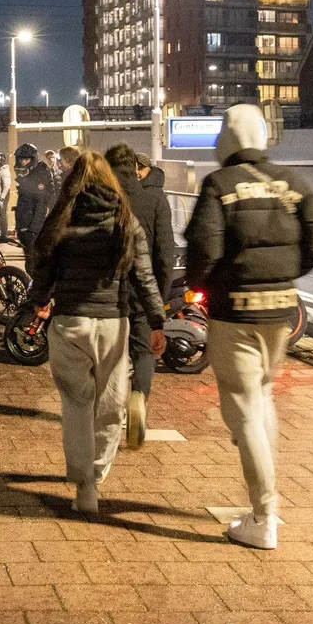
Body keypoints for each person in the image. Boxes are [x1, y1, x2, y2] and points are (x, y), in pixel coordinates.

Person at [185, 103, 313, 550]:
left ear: (225, 140)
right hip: (280, 311)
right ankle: (263, 503)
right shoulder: (295, 182)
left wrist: (199, 286)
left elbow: (204, 248)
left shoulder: (219, 185)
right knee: (262, 397)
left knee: (243, 407)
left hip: (235, 312)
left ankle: (264, 515)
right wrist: (284, 273)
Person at [24, 152, 167, 513]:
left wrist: (40, 300)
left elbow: (42, 265)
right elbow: (144, 276)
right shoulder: (125, 219)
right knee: (109, 405)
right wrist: (156, 321)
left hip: (71, 319)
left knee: (76, 404)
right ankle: (98, 474)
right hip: (113, 323)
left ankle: (83, 484)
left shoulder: (62, 216)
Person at [105, 144, 176, 449]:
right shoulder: (155, 199)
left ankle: (112, 410)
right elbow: (165, 252)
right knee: (144, 352)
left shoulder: (104, 200)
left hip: (111, 291)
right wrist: (159, 296)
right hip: (145, 290)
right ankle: (139, 400)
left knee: (112, 353)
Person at [13, 143, 54, 275]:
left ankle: (40, 292)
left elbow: (41, 204)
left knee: (34, 265)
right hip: (26, 227)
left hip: (33, 229)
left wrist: (32, 230)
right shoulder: (28, 175)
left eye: (26, 159)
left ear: (33, 159)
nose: (23, 162)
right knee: (31, 263)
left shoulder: (39, 175)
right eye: (21, 159)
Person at [0, 152, 12, 241]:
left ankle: (4, 233)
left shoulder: (4, 172)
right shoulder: (0, 171)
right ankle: (0, 232)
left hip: (2, 198)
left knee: (3, 216)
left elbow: (7, 186)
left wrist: (2, 197)